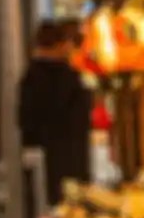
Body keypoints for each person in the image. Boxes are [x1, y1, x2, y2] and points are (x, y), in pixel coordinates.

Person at [18, 21, 92, 206]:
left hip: (39, 168)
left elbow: (24, 121)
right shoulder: (68, 78)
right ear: (61, 44)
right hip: (70, 162)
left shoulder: (29, 79)